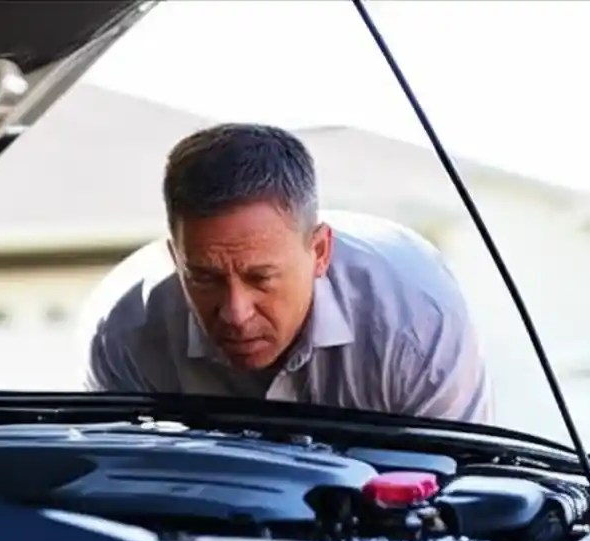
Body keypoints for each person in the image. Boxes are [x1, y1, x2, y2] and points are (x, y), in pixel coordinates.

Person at [77, 122, 493, 424]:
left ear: (320, 251)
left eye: (261, 278)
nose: (236, 314)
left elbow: (456, 495)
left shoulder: (417, 326)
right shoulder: (124, 332)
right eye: (204, 278)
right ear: (175, 257)